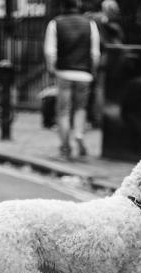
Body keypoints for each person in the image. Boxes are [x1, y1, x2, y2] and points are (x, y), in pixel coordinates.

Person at [44, 0, 100, 160]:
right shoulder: (90, 24)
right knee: (81, 108)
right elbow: (95, 53)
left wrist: (52, 70)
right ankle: (79, 134)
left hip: (64, 73)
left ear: (63, 6)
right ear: (78, 6)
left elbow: (50, 52)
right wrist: (93, 71)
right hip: (84, 73)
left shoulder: (55, 23)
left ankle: (65, 148)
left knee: (63, 111)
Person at [87, 0, 123, 127]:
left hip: (97, 57)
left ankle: (95, 117)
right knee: (100, 88)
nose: (116, 13)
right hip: (105, 58)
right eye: (114, 10)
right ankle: (99, 118)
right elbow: (116, 43)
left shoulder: (94, 19)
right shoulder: (106, 22)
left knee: (96, 88)